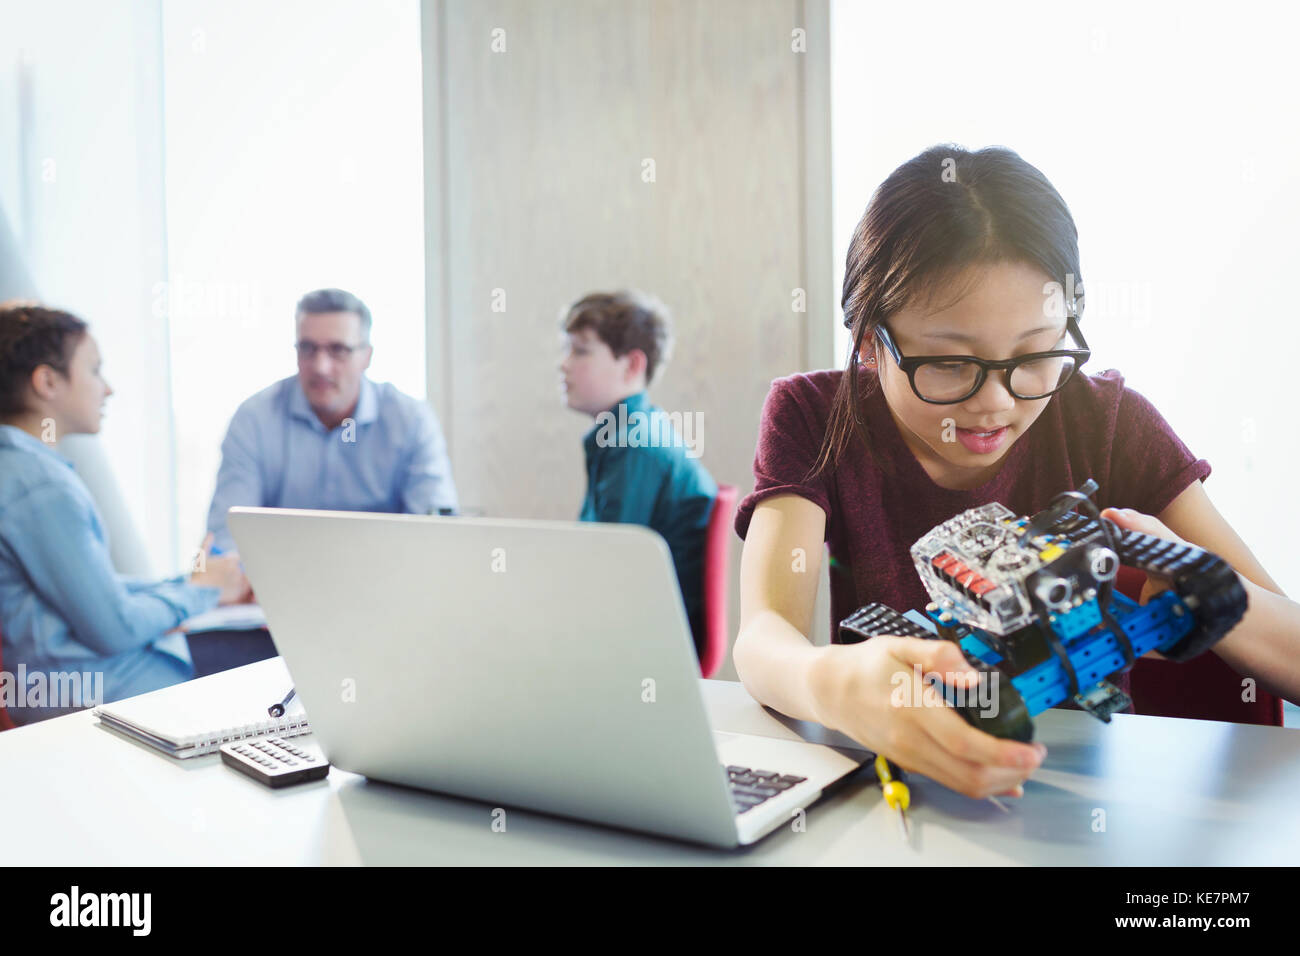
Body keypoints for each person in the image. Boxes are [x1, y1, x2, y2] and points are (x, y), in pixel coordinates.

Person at [733, 145, 1300, 801]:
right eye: (948, 363)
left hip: (1102, 808)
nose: (995, 402)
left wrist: (1210, 591)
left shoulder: (1110, 423)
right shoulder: (814, 416)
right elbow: (763, 637)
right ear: (868, 339)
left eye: (1036, 354)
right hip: (915, 807)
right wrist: (833, 681)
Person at [0, 303, 249, 724]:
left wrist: (190, 583)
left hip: (62, 681)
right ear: (47, 382)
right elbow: (114, 626)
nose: (108, 389)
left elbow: (92, 591)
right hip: (92, 690)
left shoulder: (19, 467)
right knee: (267, 663)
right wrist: (201, 592)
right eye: (95, 371)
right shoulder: (39, 483)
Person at [205, 288, 457, 553]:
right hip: (278, 588)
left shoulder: (411, 422)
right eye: (308, 348)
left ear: (366, 356)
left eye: (338, 350)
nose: (320, 366)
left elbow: (437, 534)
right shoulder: (254, 420)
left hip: (386, 584)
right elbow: (226, 536)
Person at [559, 291, 717, 655]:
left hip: (645, 645)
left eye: (580, 351)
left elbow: (606, 573)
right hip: (637, 631)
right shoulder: (628, 433)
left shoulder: (633, 445)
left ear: (632, 365)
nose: (564, 364)